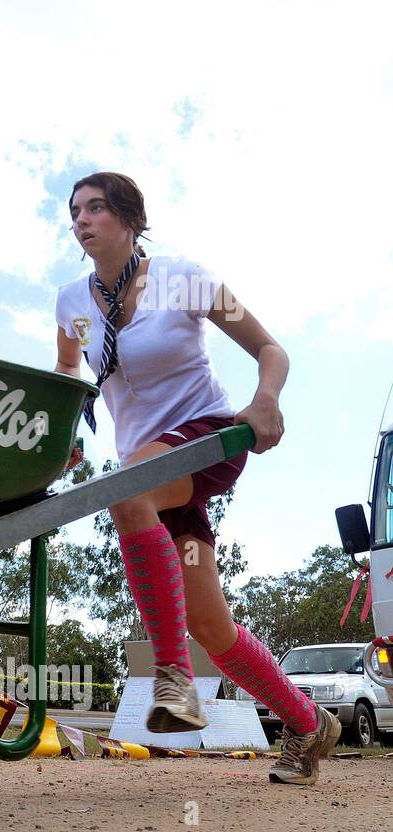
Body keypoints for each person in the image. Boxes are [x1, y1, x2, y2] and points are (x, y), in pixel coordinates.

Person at [53, 172, 338, 785]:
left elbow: (271, 350)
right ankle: (310, 723)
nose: (82, 219)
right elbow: (68, 377)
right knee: (211, 626)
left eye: (97, 208)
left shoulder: (184, 278)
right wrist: (65, 438)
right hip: (148, 471)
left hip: (206, 437)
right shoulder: (73, 304)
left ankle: (175, 683)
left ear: (130, 220)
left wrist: (265, 400)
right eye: (75, 210)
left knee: (126, 490)